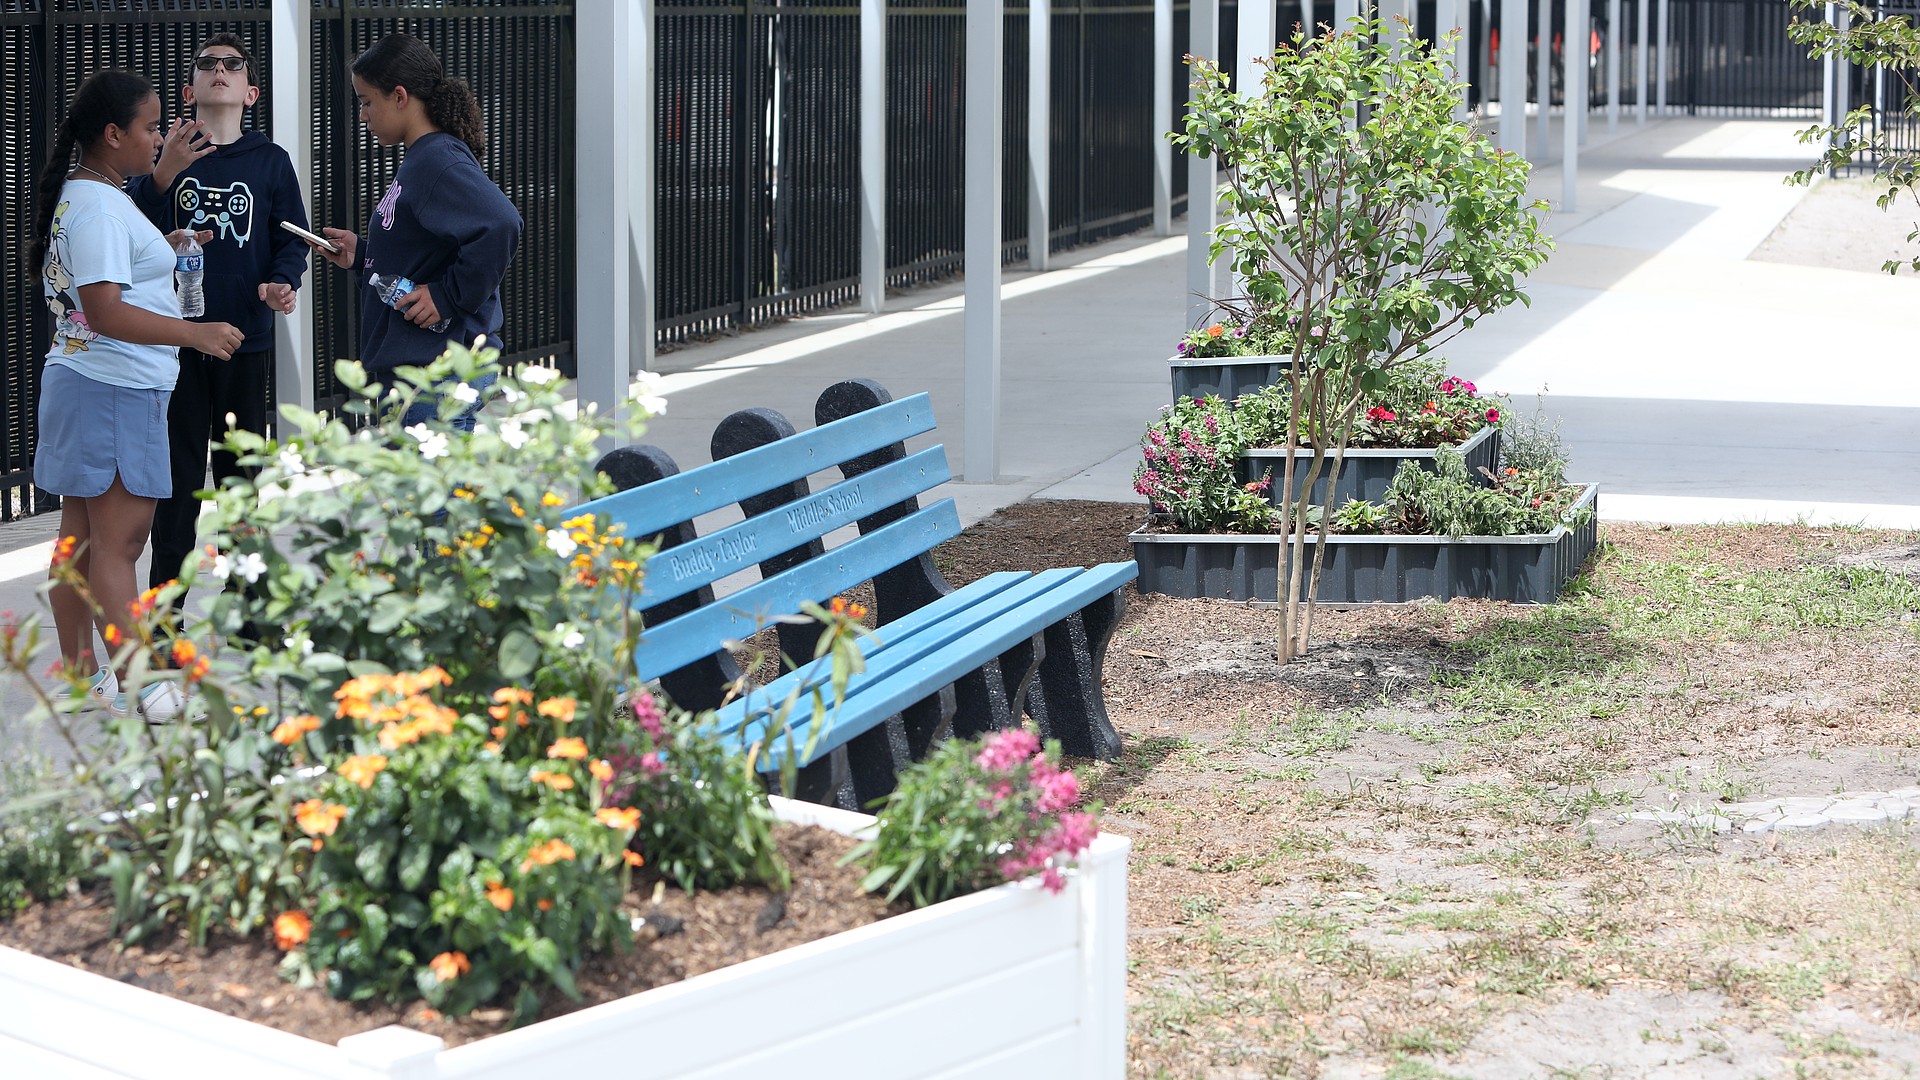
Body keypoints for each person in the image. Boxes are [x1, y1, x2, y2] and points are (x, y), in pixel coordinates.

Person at [30, 70, 245, 720]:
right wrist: (195, 333)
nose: (158, 139)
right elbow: (106, 312)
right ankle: (143, 683)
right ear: (112, 133)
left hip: (83, 383)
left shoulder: (90, 195)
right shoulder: (97, 205)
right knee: (119, 547)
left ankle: (78, 678)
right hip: (115, 387)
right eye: (151, 128)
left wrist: (165, 249)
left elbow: (103, 286)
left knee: (81, 542)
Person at [128, 33, 311, 596]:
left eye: (232, 66)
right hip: (177, 342)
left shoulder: (271, 161)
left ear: (251, 92)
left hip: (243, 340)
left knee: (241, 480)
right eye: (207, 65)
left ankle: (249, 614)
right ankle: (164, 617)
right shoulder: (165, 156)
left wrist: (282, 281)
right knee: (177, 482)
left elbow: (292, 239)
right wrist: (163, 174)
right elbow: (132, 228)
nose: (220, 72)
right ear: (190, 90)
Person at [307, 33, 521, 431]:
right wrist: (363, 254)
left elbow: (502, 223)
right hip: (426, 366)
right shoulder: (428, 157)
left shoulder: (434, 160)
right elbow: (424, 251)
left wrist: (448, 296)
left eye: (367, 101)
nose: (363, 114)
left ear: (400, 96)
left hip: (434, 371)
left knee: (437, 490)